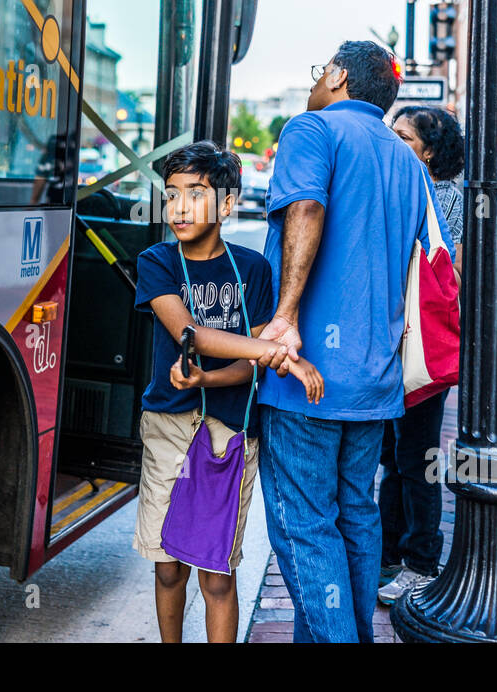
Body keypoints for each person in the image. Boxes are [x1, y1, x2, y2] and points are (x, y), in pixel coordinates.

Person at [257, 41, 451, 642]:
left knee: (306, 524)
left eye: (322, 71)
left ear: (339, 75)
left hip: (307, 370)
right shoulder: (407, 163)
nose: (318, 80)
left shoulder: (311, 129)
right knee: (356, 516)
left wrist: (285, 315)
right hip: (376, 378)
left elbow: (307, 209)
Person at [132, 141, 323, 643]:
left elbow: (243, 367)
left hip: (230, 433)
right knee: (169, 565)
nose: (178, 208)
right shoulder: (157, 261)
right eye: (171, 195)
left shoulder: (254, 269)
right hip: (168, 426)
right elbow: (189, 334)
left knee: (217, 572)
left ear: (226, 203)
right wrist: (275, 352)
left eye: (195, 194)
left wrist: (210, 378)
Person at [377, 105, 464, 604]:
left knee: (418, 455)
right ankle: (389, 555)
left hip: (422, 346)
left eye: (404, 137)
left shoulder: (443, 199)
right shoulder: (403, 189)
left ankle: (421, 562)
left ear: (428, 152)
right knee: (393, 455)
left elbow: (446, 275)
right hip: (400, 341)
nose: (393, 142)